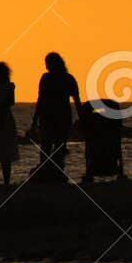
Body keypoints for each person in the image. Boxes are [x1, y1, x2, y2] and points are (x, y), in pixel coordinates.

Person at [31, 52, 82, 181]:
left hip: (51, 116)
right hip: (60, 116)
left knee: (47, 146)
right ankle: (54, 172)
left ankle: (49, 173)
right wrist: (82, 117)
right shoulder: (68, 78)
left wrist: (34, 120)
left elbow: (41, 99)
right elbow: (77, 100)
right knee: (57, 146)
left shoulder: (47, 78)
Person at [80, 100, 125, 181]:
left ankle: (89, 174)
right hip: (110, 158)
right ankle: (120, 173)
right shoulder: (112, 128)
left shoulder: (92, 127)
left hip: (96, 159)